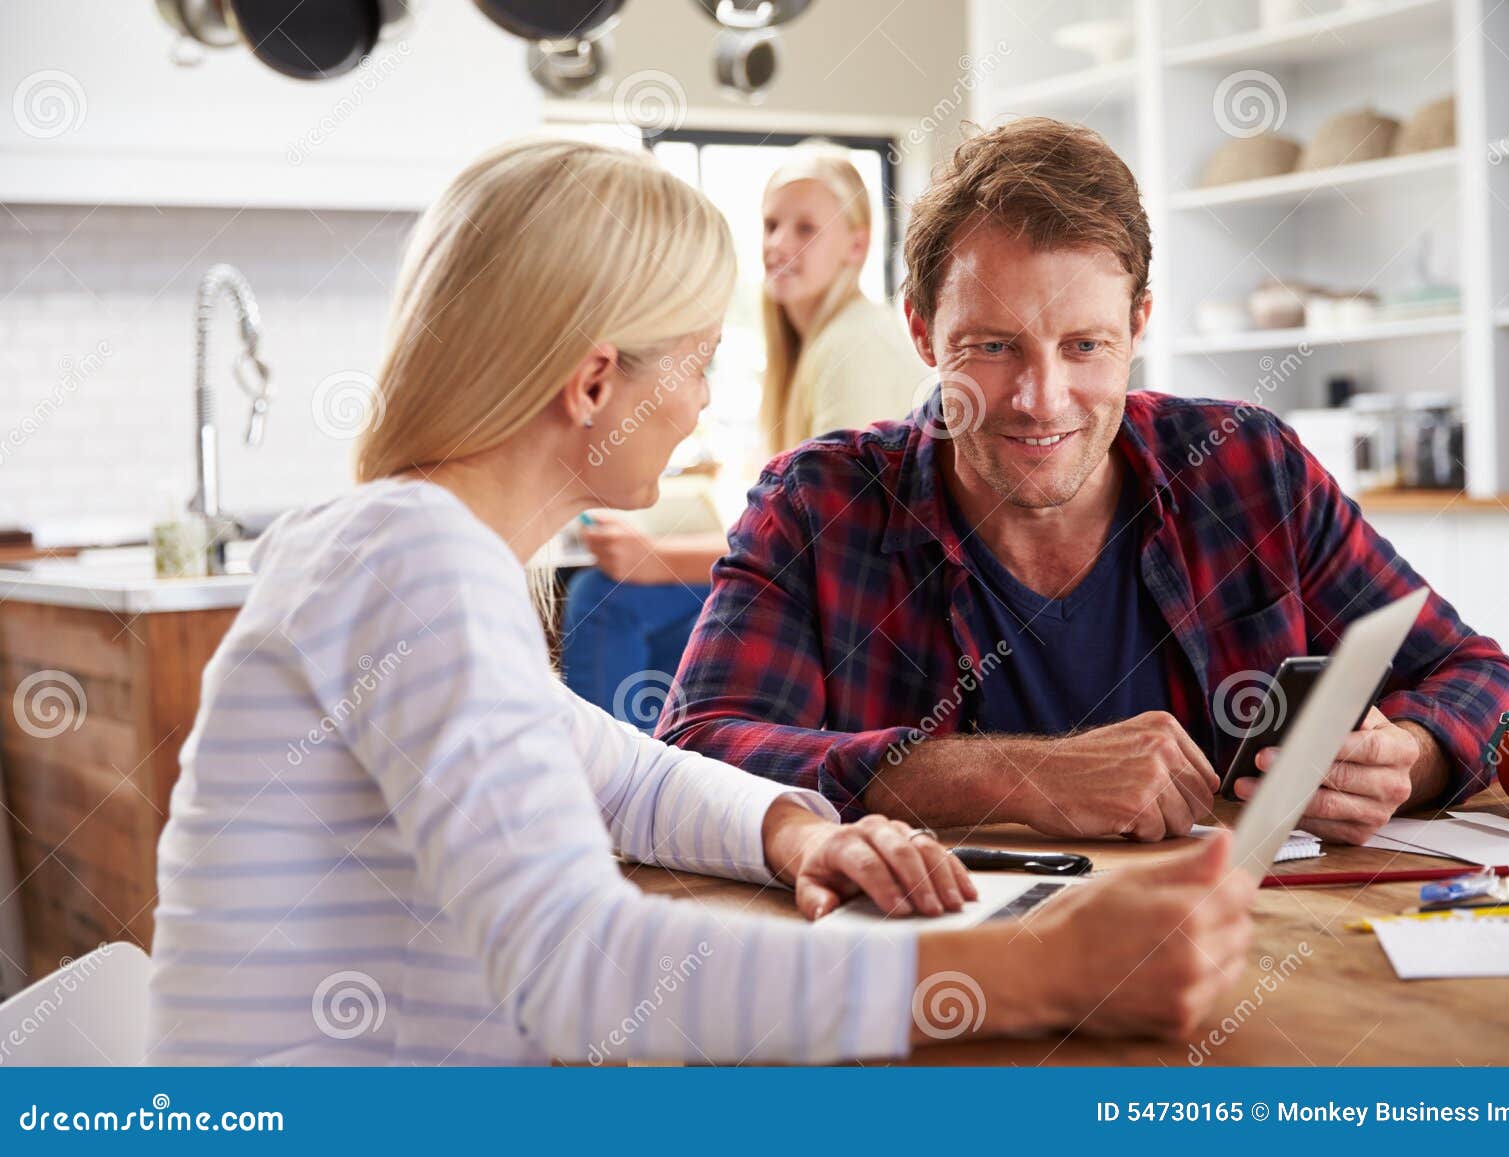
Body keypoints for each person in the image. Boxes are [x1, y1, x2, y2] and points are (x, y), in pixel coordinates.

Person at [146, 138, 1257, 1065]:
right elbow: (585, 972)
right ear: (594, 386)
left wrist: (793, 832)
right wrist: (1033, 967)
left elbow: (620, 769)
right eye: (695, 361)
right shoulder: (411, 559)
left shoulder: (393, 543)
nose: (703, 401)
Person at [660, 117, 1509, 847]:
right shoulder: (819, 503)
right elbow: (695, 760)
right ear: (923, 331)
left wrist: (1410, 757)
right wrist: (1018, 775)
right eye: (991, 347)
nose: (1042, 401)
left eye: (1085, 346)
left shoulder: (1247, 468)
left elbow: (1478, 676)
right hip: (943, 983)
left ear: (1137, 324)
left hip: (1249, 965)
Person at [562, 143, 925, 728]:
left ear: (856, 247)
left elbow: (829, 545)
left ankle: (606, 797)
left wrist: (655, 560)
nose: (780, 244)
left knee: (601, 602)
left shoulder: (852, 347)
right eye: (771, 224)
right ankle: (650, 774)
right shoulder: (814, 347)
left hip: (853, 619)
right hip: (817, 602)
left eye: (806, 228)